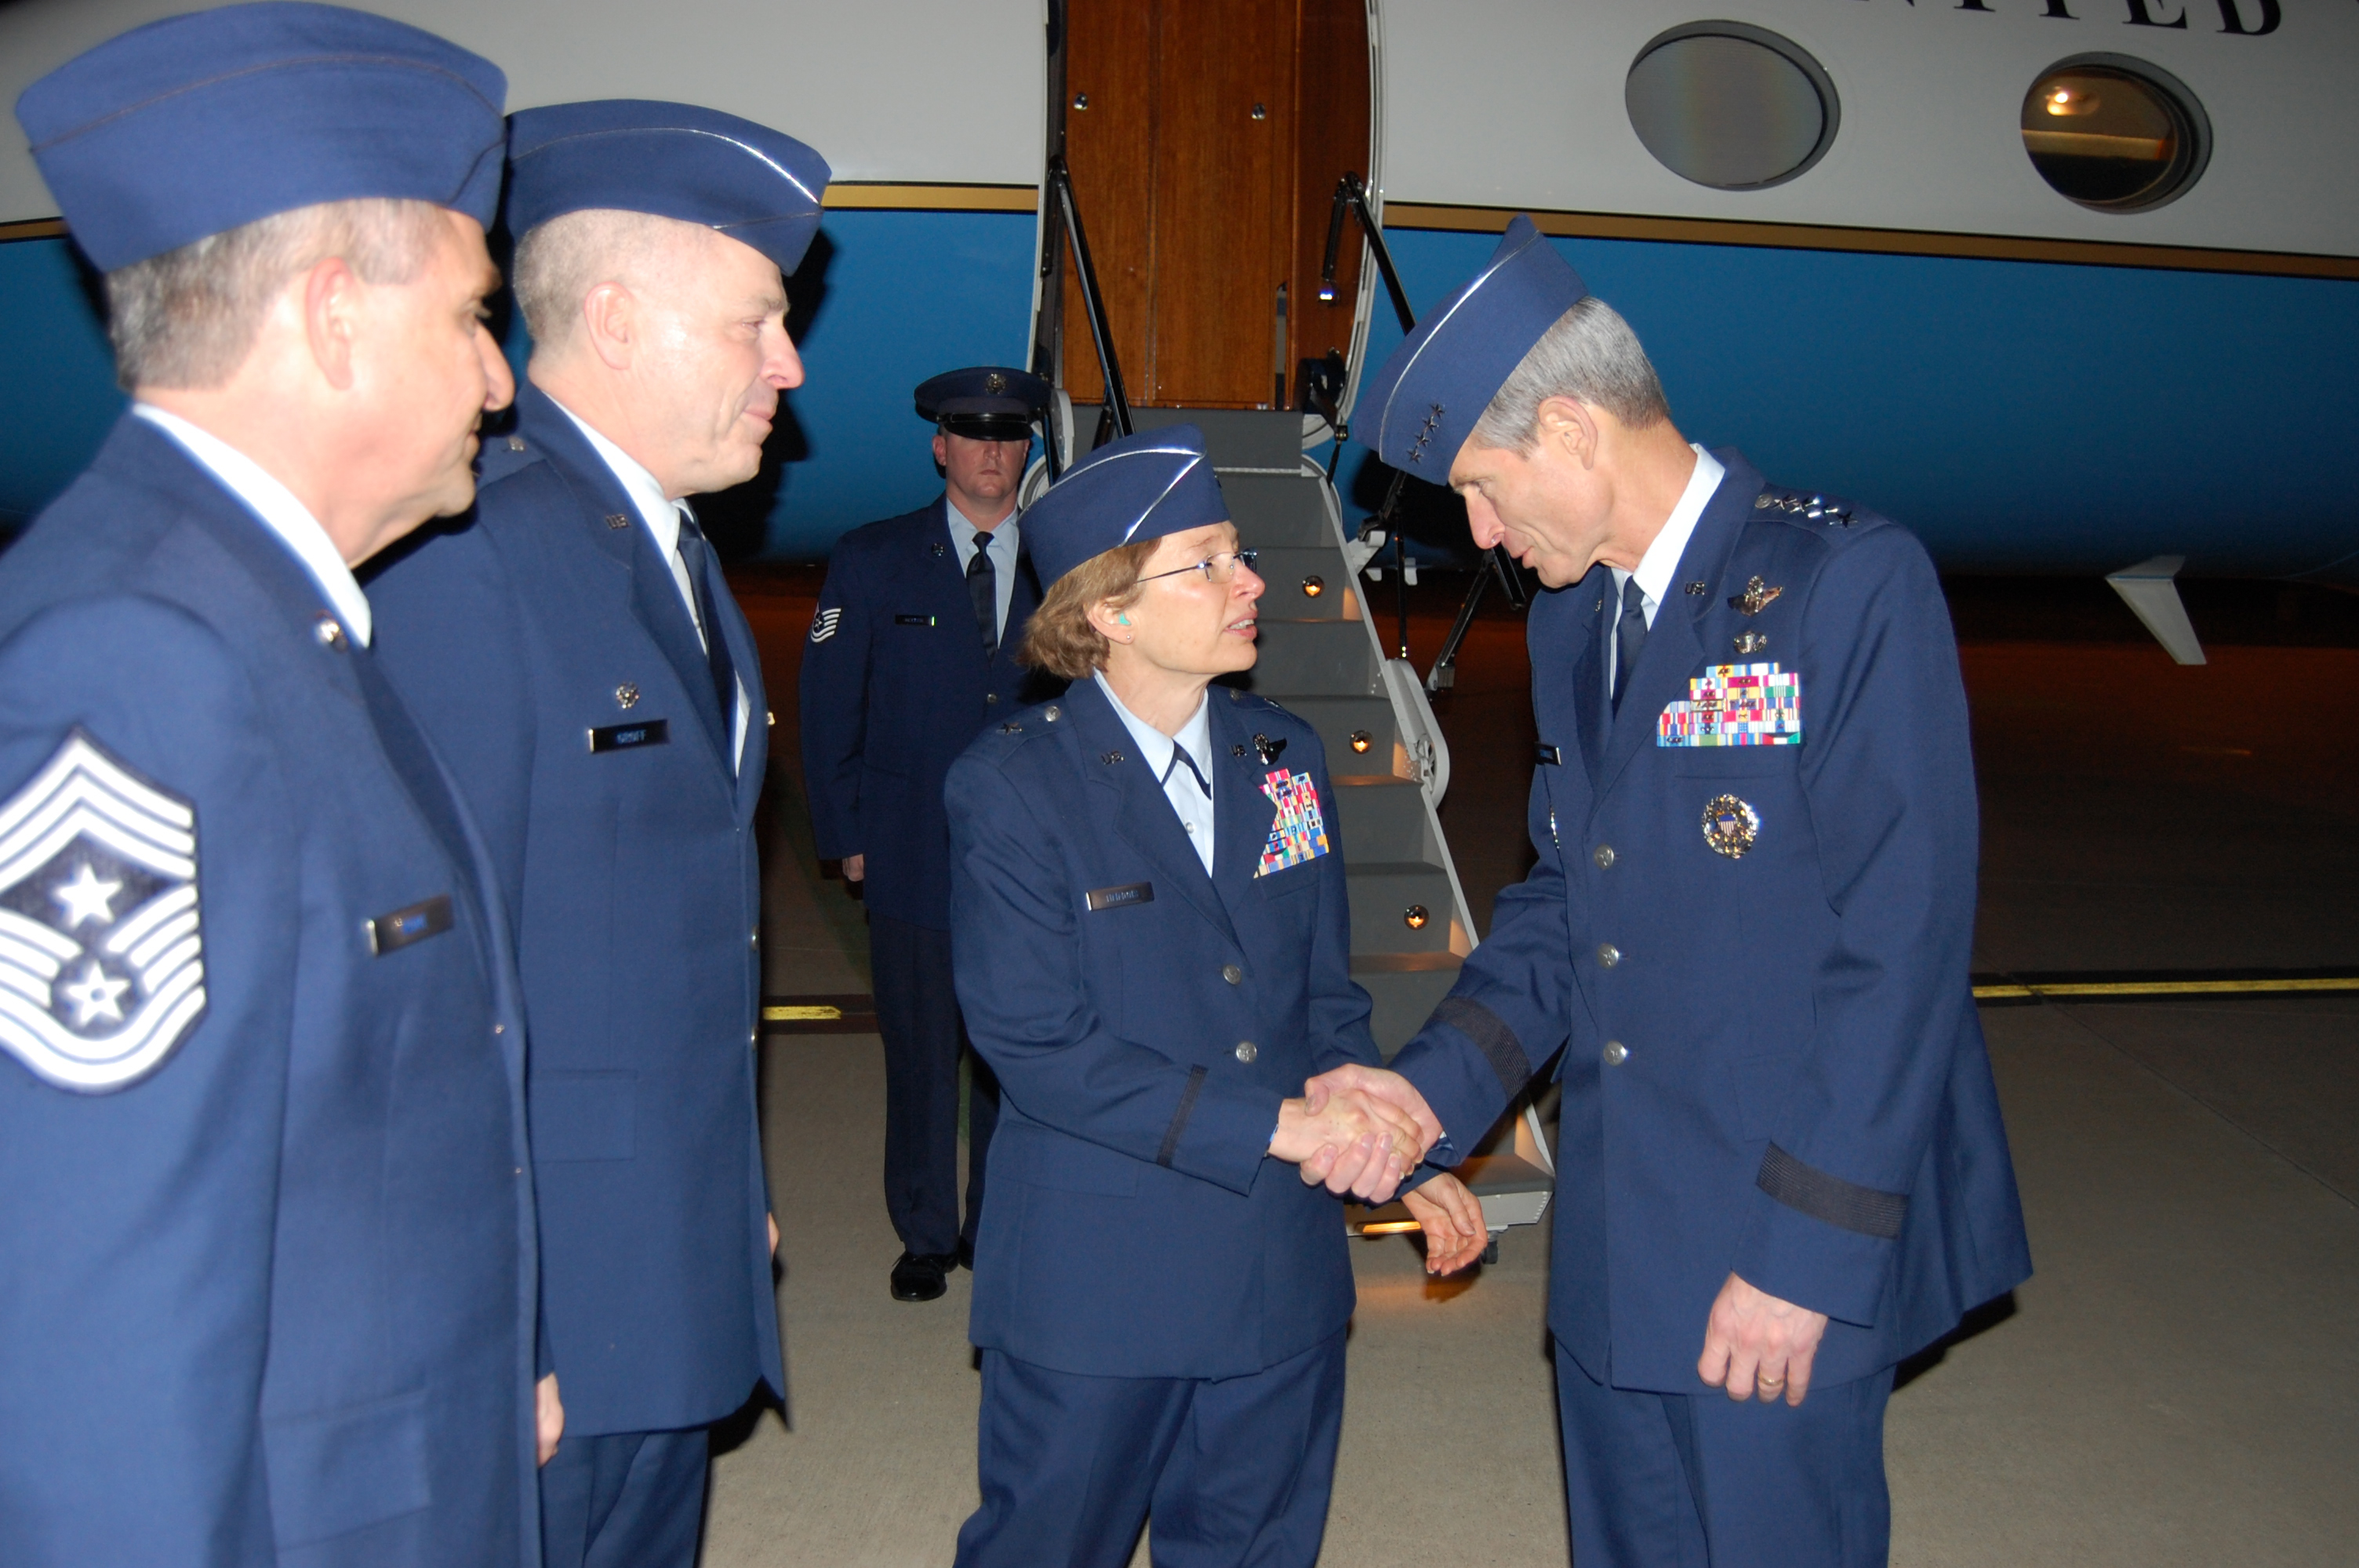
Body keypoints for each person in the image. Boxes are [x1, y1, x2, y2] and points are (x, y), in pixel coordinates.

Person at [1339, 216, 2032, 1566]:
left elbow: (1899, 951)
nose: (1478, 533)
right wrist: (1434, 1090)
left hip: (1771, 1243)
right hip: (1618, 1241)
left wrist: (1805, 1263)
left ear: (1574, 433)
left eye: (1483, 487)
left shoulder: (1841, 585)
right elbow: (1560, 901)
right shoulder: (1572, 620)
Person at [0, 7, 546, 1564]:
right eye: (468, 315)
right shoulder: (134, 663)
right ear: (328, 316)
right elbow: (89, 1328)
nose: (499, 383)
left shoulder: (263, 616)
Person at [364, 100, 828, 1568]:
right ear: (618, 320)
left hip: (656, 1263)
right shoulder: (474, 558)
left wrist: (722, 1204)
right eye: (758, 322)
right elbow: (419, 1002)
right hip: (541, 1307)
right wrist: (481, 1325)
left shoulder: (674, 554)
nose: (790, 365)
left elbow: (670, 943)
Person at [942, 425, 1488, 1568]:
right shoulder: (1012, 787)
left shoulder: (1282, 755)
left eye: (1241, 553)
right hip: (1100, 1278)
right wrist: (1292, 1128)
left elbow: (1321, 997)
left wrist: (1403, 1146)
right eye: (1211, 561)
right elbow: (1039, 1047)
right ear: (1109, 610)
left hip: (1274, 1271)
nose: (1253, 583)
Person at [799, 365, 1058, 1301]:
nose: (992, 454)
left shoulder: (1062, 563)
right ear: (939, 446)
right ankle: (923, 1230)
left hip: (1033, 861)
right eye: (972, 436)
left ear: (1025, 447)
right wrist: (844, 830)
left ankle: (997, 1222)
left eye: (1008, 437)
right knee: (918, 1054)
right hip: (909, 843)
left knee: (1012, 1056)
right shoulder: (872, 557)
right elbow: (831, 703)